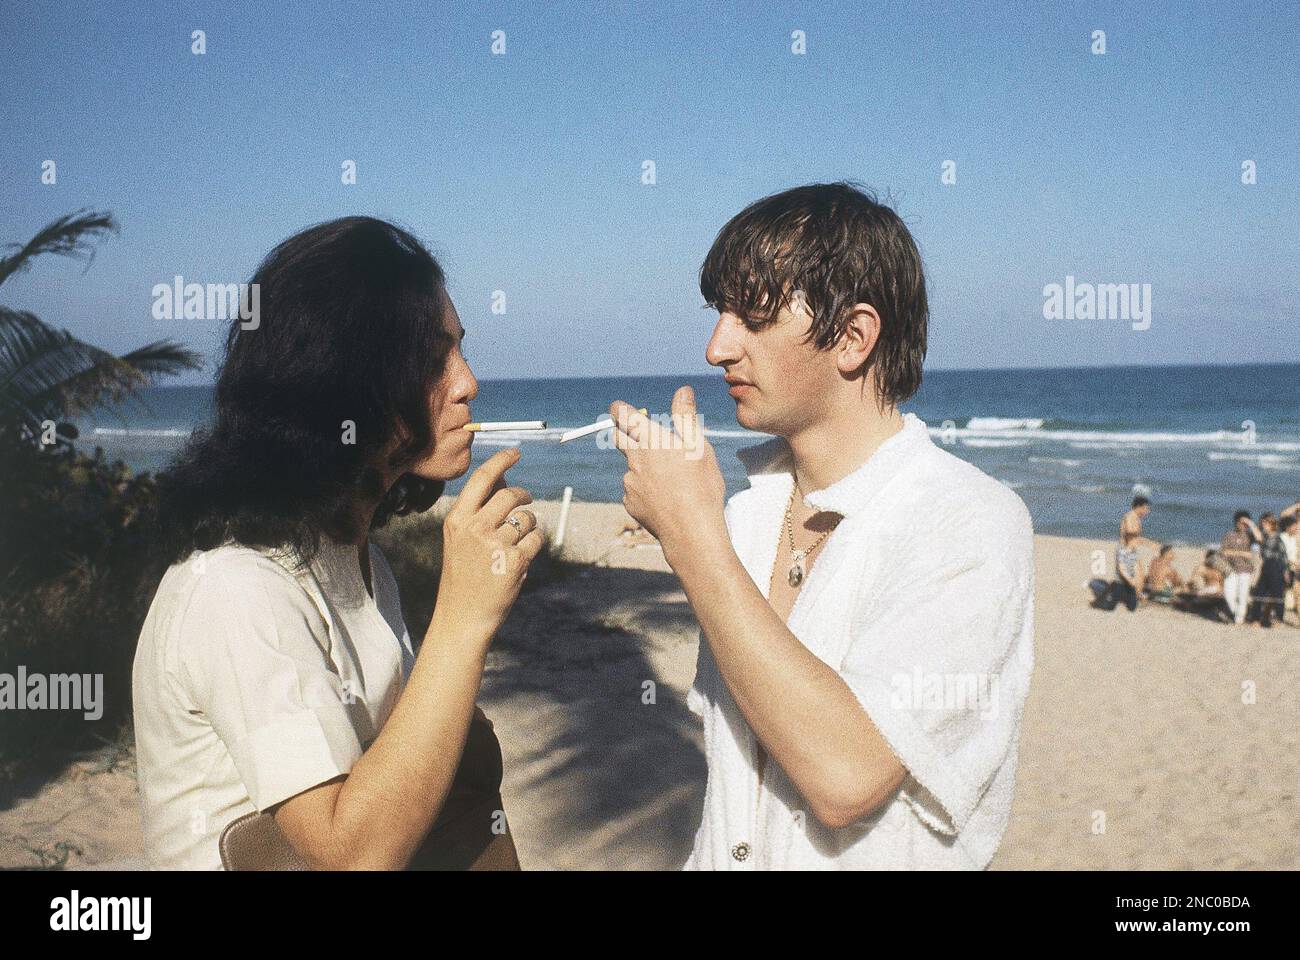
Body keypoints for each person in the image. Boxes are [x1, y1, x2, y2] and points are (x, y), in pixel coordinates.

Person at [609, 183, 1034, 869]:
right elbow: (734, 806)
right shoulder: (747, 514)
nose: (717, 346)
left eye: (752, 316)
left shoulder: (968, 521)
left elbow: (846, 776)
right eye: (721, 314)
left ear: (853, 337)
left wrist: (691, 537)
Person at [134, 218, 543, 869]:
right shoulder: (234, 591)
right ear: (339, 380)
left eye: (460, 350)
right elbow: (353, 854)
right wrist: (465, 615)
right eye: (432, 359)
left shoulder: (360, 560)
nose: (467, 383)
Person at [1220, 511, 1257, 626]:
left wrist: (1251, 524)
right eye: (1241, 523)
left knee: (1242, 594)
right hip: (1231, 569)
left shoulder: (1250, 536)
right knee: (1229, 594)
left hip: (1245, 569)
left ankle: (1239, 620)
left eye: (1245, 523)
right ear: (1236, 522)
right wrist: (1241, 553)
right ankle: (1238, 614)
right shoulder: (1229, 535)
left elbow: (1259, 539)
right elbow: (1224, 552)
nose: (1243, 525)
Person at [1252, 513, 1288, 628]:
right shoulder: (1265, 535)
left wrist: (1285, 571)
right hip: (1266, 566)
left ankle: (1279, 619)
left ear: (1272, 524)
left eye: (1266, 523)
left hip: (1276, 567)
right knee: (1258, 593)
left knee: (1277, 594)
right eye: (1263, 523)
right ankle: (1256, 619)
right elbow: (1258, 536)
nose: (1264, 525)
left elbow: (1284, 557)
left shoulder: (1276, 537)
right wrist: (1253, 524)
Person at [1281, 515, 1299, 626]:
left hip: (1295, 569)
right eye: (1295, 526)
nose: (1297, 528)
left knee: (1298, 593)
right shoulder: (1282, 537)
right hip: (1284, 568)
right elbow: (1283, 555)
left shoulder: (1295, 538)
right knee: (1279, 594)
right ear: (1288, 527)